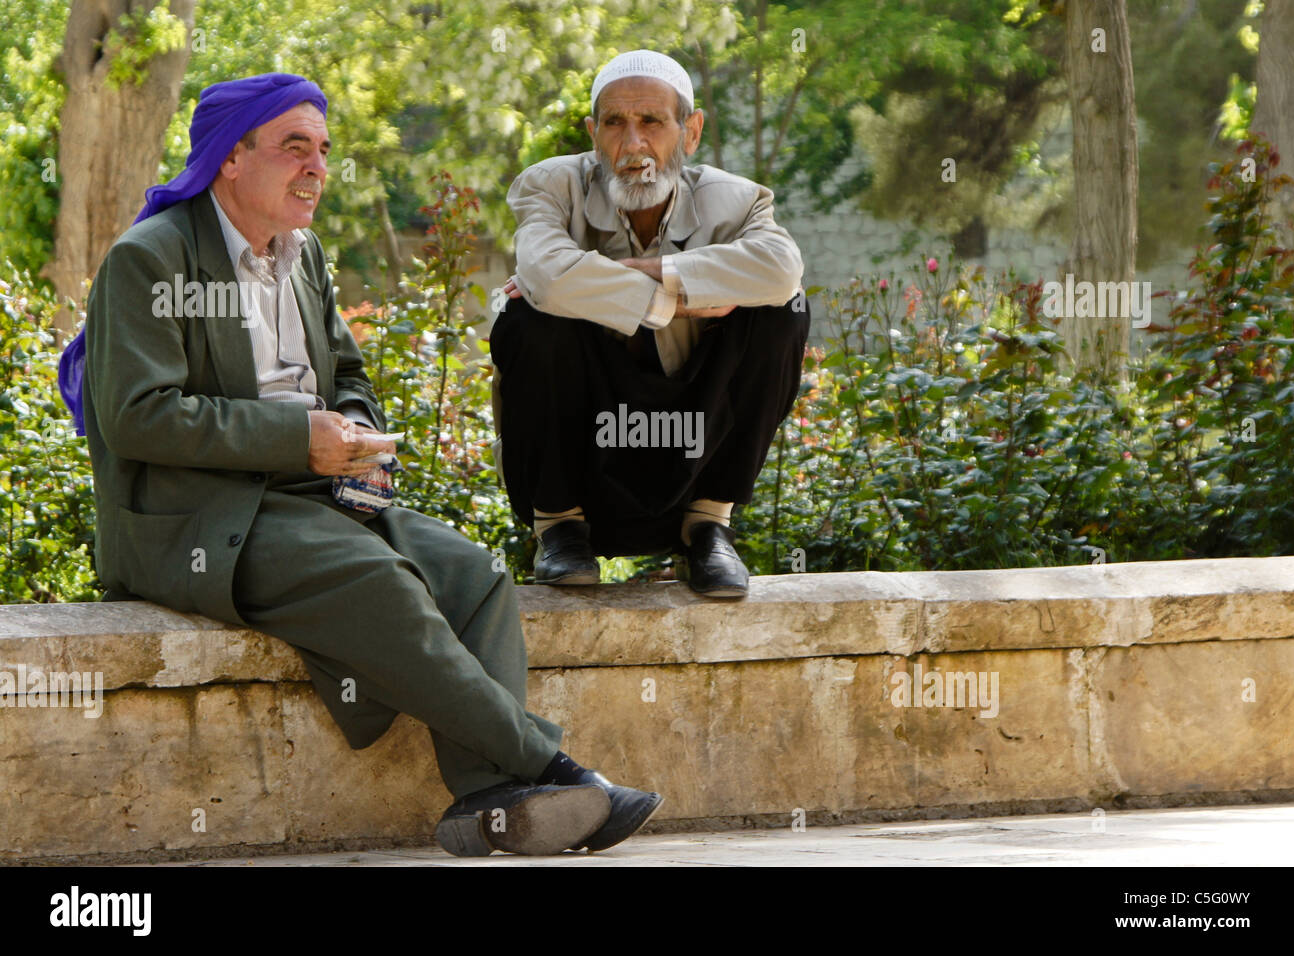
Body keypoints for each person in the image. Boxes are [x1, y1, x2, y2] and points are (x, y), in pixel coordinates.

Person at [66, 72, 661, 857]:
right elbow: (138, 418)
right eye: (293, 148)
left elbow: (345, 375)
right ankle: (556, 769)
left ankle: (489, 802)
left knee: (475, 575)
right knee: (382, 585)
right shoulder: (152, 260)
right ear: (229, 160)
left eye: (323, 150)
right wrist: (294, 439)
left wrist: (357, 437)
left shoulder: (303, 254)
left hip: (312, 490)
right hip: (198, 517)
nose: (316, 167)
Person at [491, 49, 809, 598]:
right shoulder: (548, 186)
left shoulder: (737, 202)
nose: (633, 145)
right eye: (614, 122)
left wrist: (632, 273)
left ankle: (709, 522)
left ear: (690, 132)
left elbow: (781, 271)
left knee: (786, 311)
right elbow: (544, 274)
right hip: (589, 438)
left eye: (652, 122)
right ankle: (559, 526)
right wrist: (677, 300)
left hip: (693, 434)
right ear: (593, 133)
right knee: (526, 317)